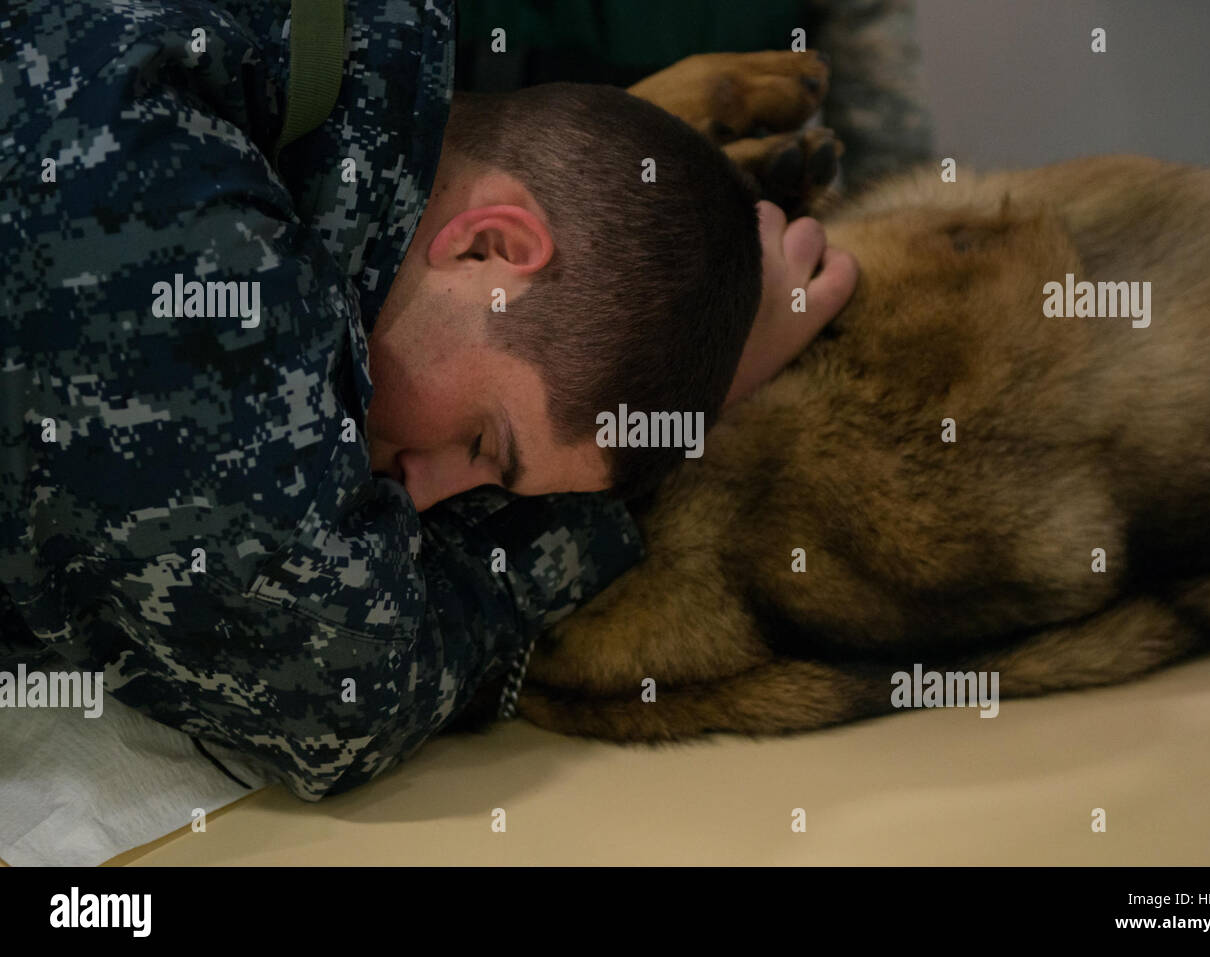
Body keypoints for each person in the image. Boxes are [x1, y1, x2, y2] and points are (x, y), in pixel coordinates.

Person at [0, 0, 857, 799]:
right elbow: (340, 696)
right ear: (490, 244)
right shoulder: (161, 205)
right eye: (483, 443)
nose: (421, 492)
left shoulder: (293, 87)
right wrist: (628, 484)